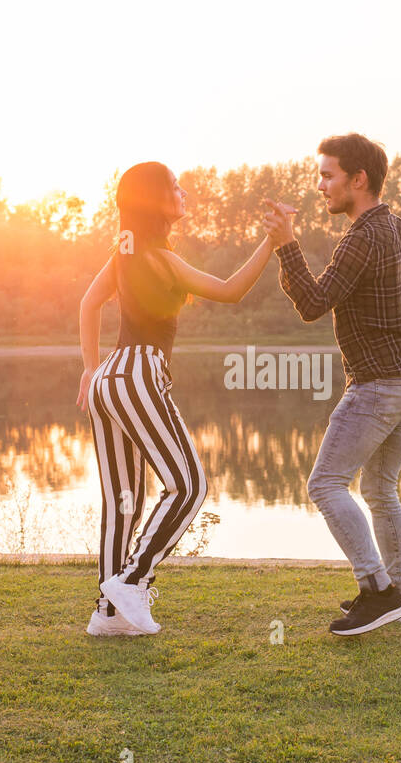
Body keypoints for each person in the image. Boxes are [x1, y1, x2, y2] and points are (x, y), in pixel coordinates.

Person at [262, 134, 401, 636]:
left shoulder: (362, 236)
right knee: (379, 488)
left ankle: (379, 590)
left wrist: (285, 244)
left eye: (327, 175)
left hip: (378, 384)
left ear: (358, 179)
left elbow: (311, 302)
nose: (320, 185)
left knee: (325, 484)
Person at [77, 161, 277, 636]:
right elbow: (230, 291)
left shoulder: (125, 252)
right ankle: (131, 580)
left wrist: (90, 368)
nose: (183, 192)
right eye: (174, 187)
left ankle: (107, 615)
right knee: (189, 486)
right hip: (141, 374)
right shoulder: (159, 256)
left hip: (109, 379)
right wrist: (273, 241)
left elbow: (87, 304)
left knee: (122, 501)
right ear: (156, 201)